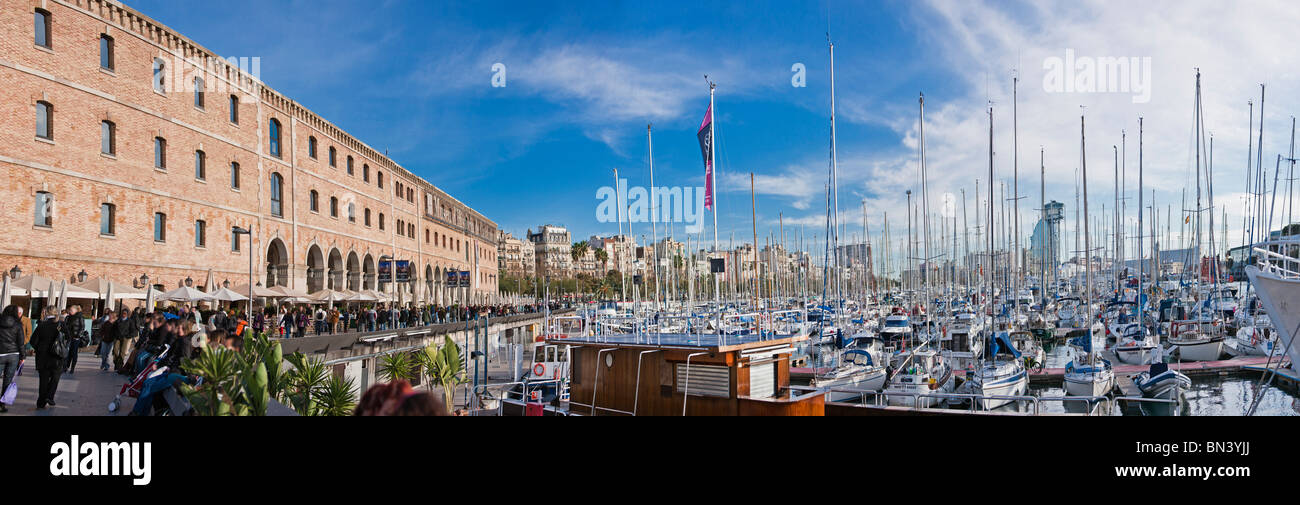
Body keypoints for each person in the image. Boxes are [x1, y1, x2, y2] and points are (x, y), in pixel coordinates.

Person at [29, 306, 66, 409]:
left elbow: (33, 341)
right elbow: (68, 337)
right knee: (55, 377)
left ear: (47, 313)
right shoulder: (61, 324)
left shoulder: (42, 325)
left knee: (43, 380)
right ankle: (50, 396)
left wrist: (39, 348)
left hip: (43, 357)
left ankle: (41, 402)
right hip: (57, 356)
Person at [0, 305, 27, 413]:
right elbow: (21, 343)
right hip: (13, 355)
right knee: (8, 380)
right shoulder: (17, 324)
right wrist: (23, 356)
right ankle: (2, 404)